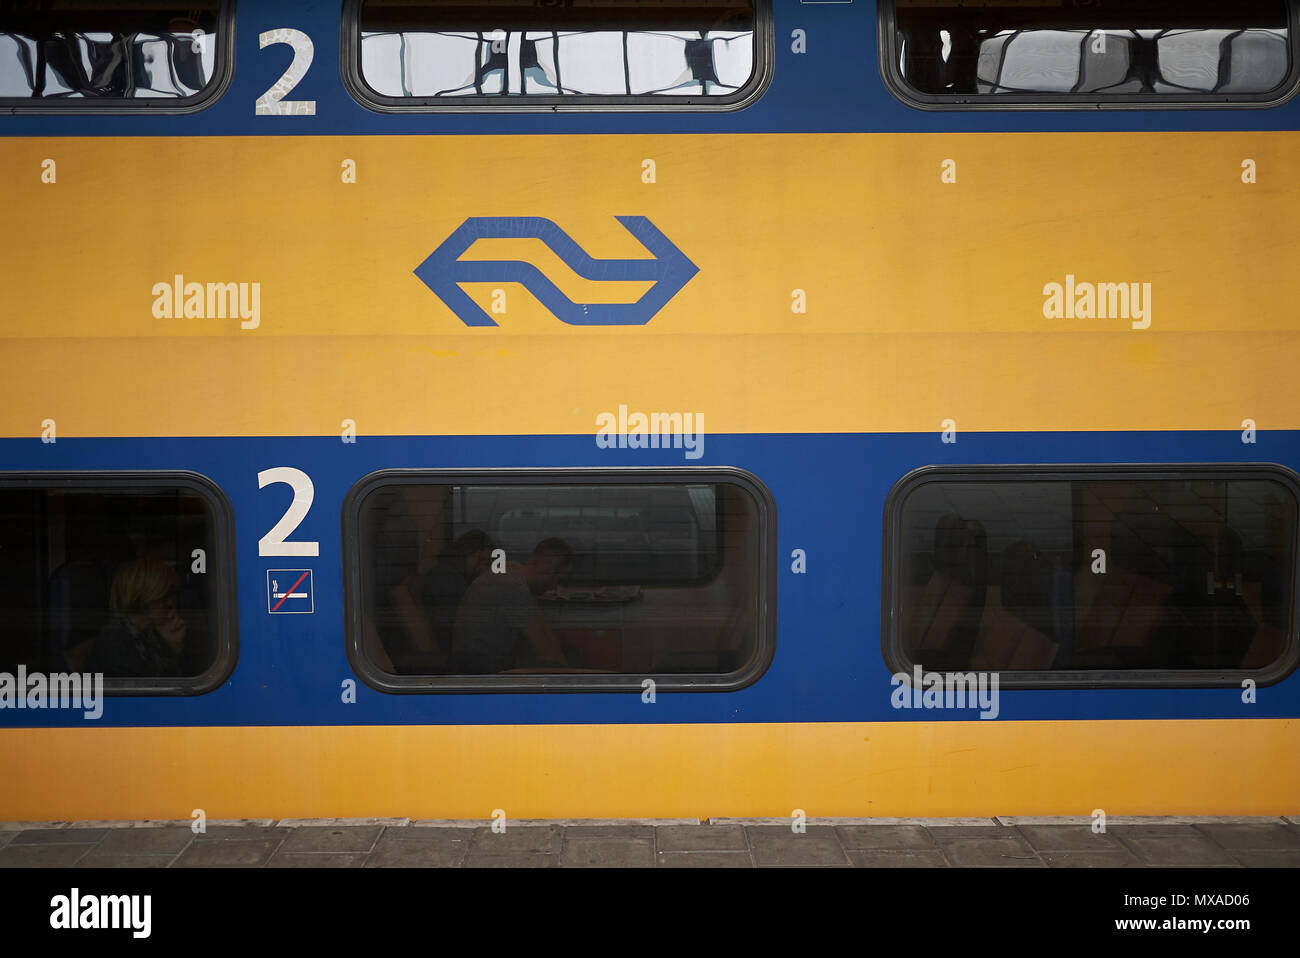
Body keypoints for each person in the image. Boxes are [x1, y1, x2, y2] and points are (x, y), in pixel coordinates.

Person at [452, 538, 573, 674]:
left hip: (478, 662)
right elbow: (546, 650)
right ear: (549, 571)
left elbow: (543, 630)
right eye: (559, 580)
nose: (555, 587)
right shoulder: (513, 586)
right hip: (479, 668)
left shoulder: (512, 576)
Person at [90, 559, 189, 676]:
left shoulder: (149, 632)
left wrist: (174, 646)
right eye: (165, 596)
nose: (171, 603)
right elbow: (148, 685)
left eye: (173, 595)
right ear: (142, 597)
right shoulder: (115, 639)